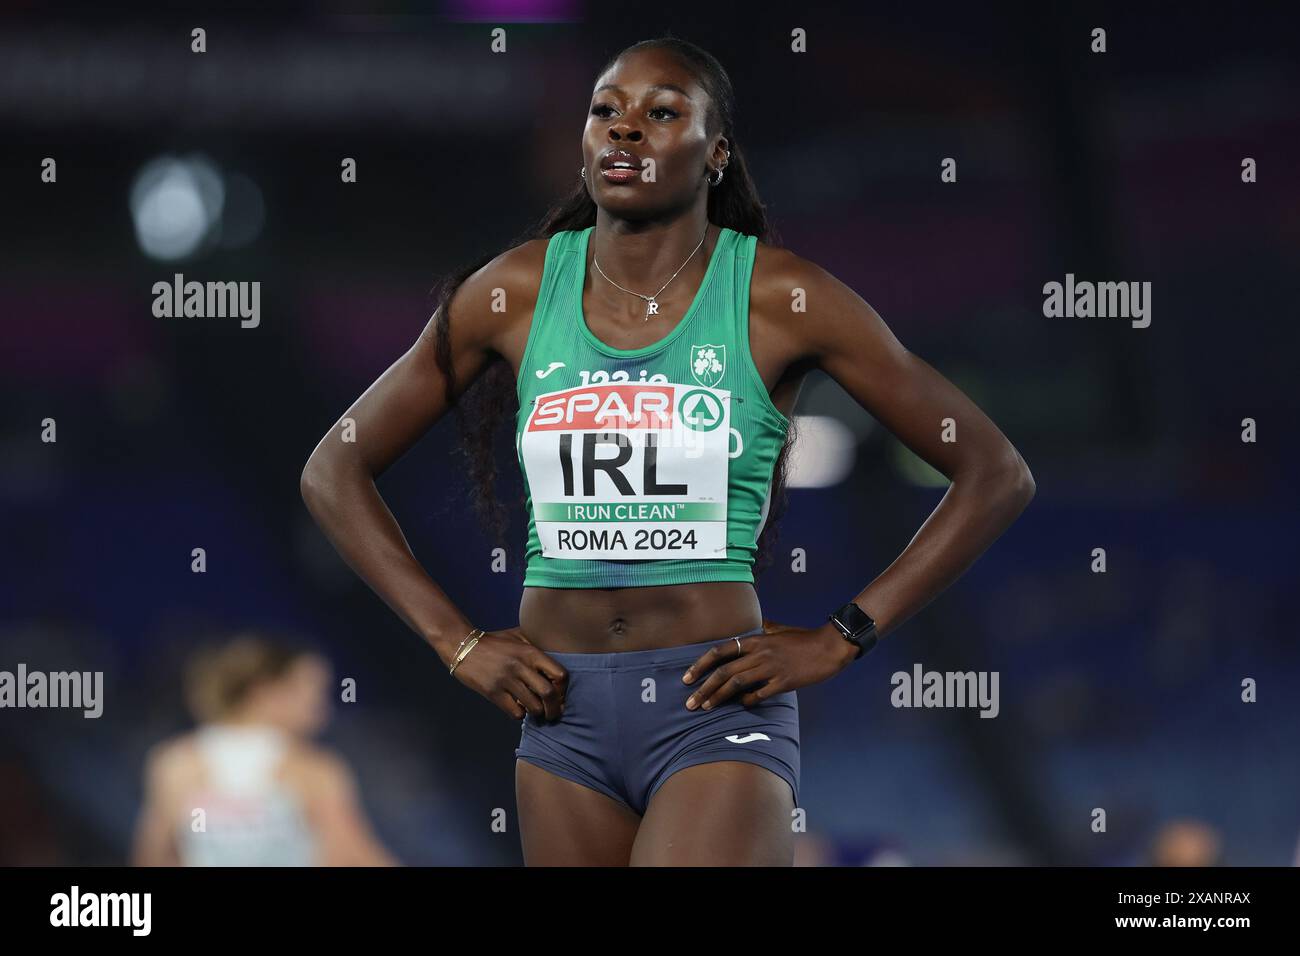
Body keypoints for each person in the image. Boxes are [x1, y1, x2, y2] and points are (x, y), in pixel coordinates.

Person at [300, 36, 1034, 866]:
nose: (624, 132)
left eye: (661, 114)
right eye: (605, 112)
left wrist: (841, 636)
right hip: (559, 717)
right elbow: (335, 467)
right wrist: (455, 642)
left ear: (716, 151)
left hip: (711, 708)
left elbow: (993, 471)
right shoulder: (513, 292)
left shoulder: (782, 298)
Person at [131, 634, 396, 866]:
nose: (323, 705)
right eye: (311, 690)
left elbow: (153, 856)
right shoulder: (312, 769)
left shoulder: (176, 763)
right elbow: (354, 855)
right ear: (265, 691)